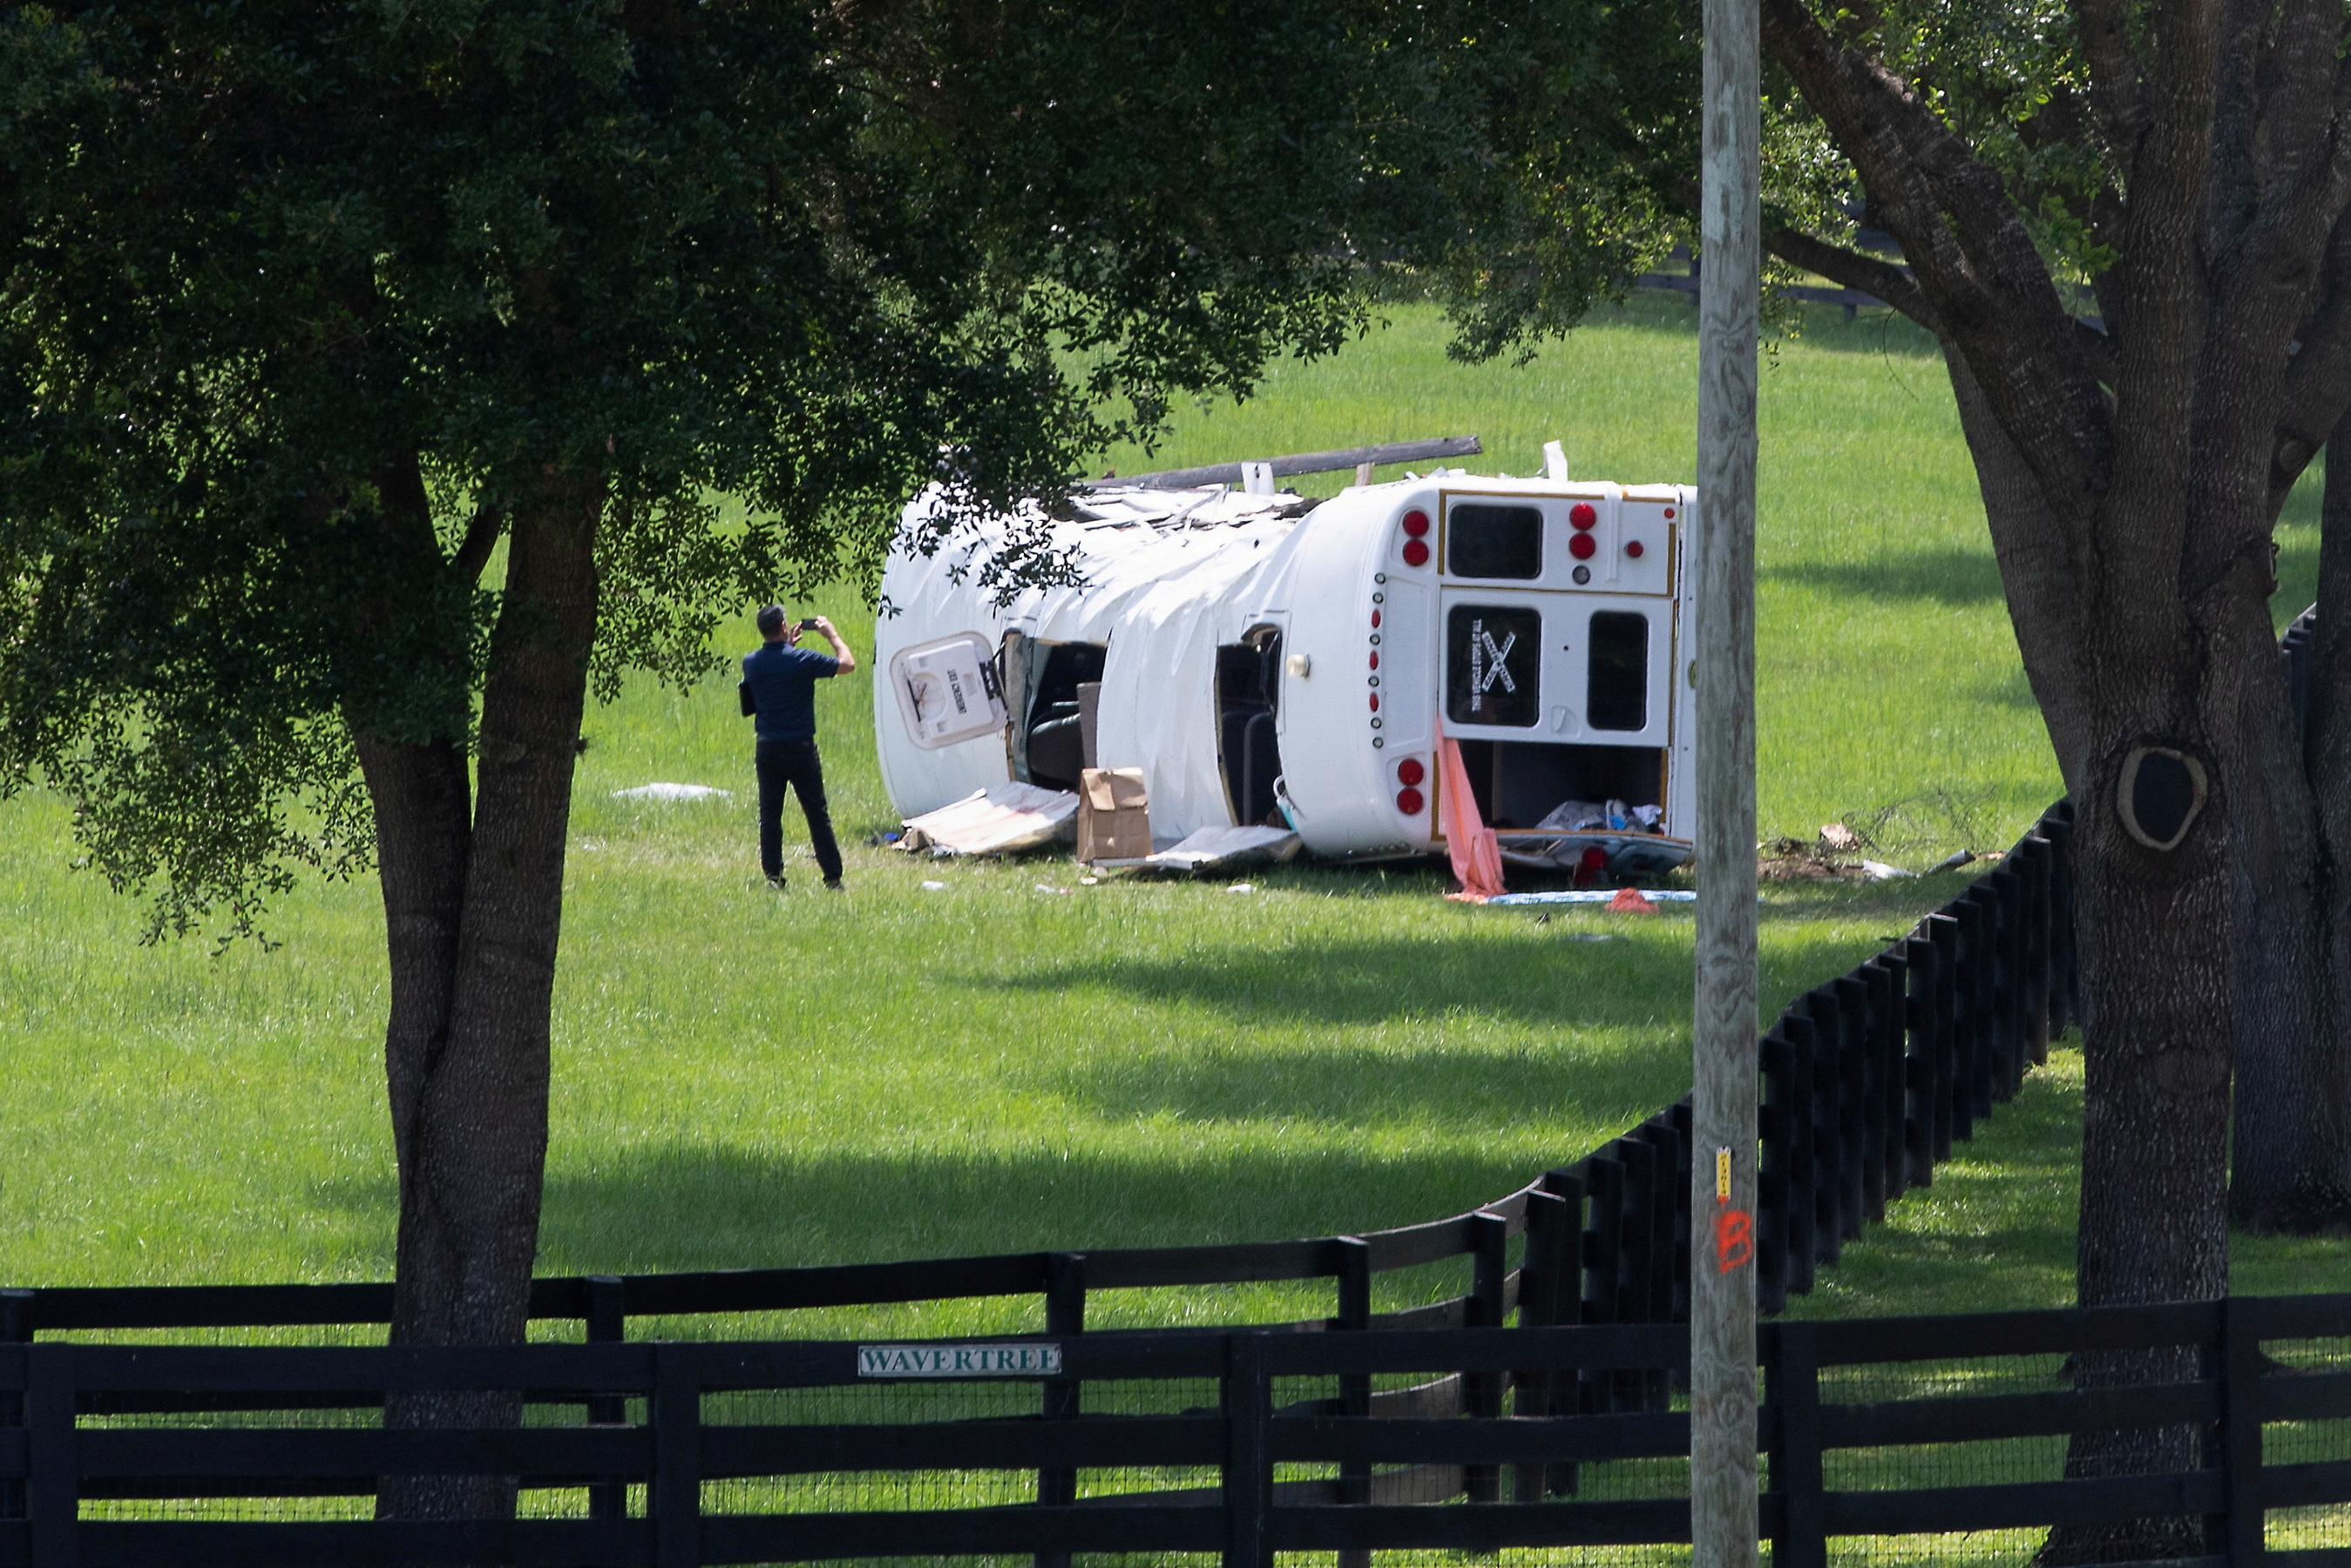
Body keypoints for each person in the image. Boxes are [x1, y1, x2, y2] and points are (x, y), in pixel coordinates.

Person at [742, 605, 856, 889]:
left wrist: (786, 647)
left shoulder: (751, 663)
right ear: (784, 626)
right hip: (800, 748)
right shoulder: (802, 660)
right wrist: (832, 636)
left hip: (767, 748)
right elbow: (847, 664)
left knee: (770, 817)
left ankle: (774, 876)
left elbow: (776, 667)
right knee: (816, 814)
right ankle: (832, 877)